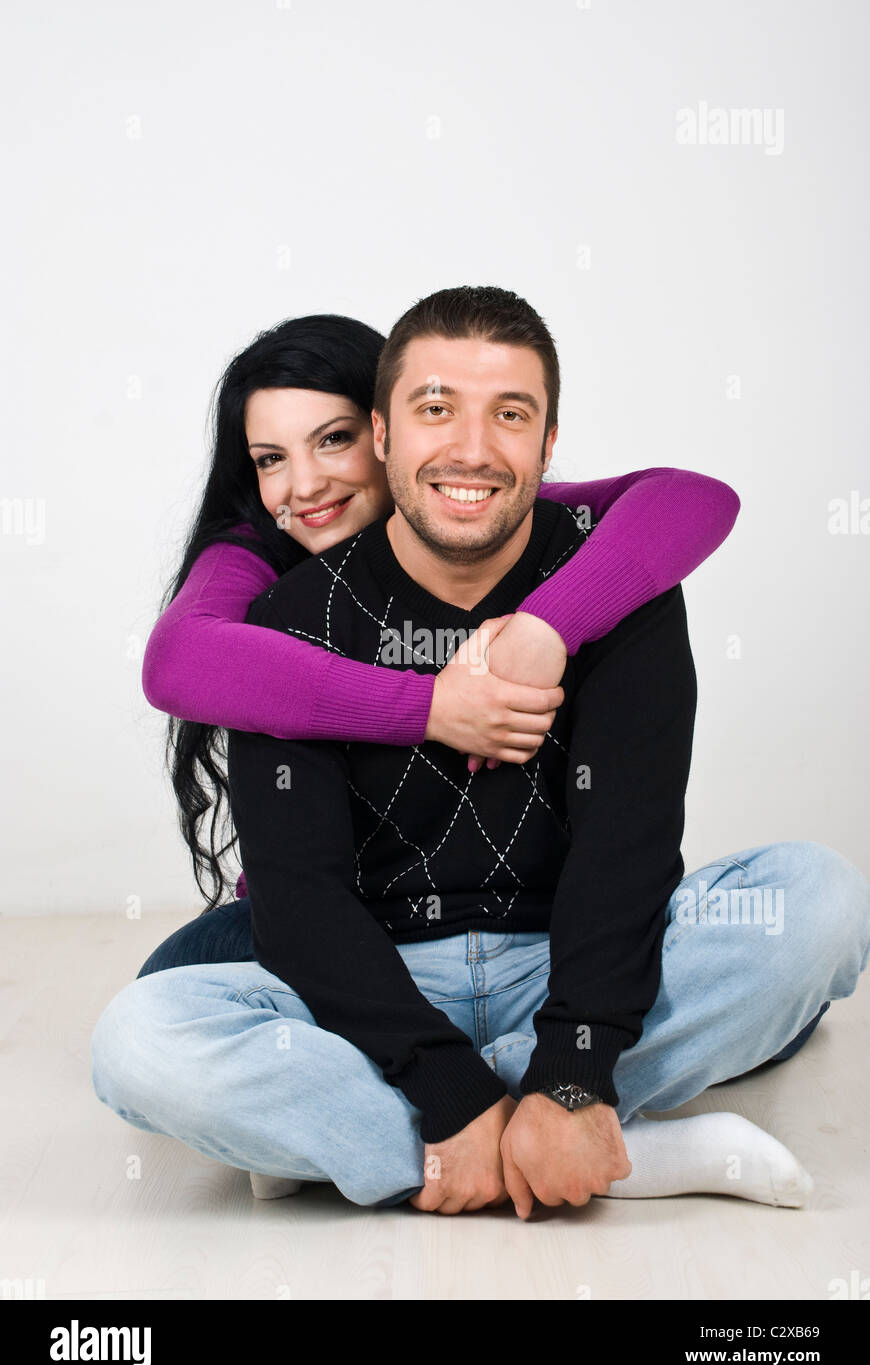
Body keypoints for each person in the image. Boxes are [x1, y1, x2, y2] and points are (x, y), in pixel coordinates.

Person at [92, 286, 870, 1217]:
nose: (469, 448)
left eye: (508, 415)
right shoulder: (269, 617)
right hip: (374, 963)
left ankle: (424, 1132)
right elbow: (296, 891)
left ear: (547, 444)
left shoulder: (610, 575)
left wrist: (573, 1068)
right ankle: (605, 1145)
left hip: (563, 954)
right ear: (394, 432)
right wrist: (430, 707)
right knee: (143, 1036)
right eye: (436, 411)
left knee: (818, 902)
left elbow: (626, 841)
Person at [136, 310, 741, 975]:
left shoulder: (477, 504)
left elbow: (688, 498)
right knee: (170, 985)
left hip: (538, 920)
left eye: (333, 440)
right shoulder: (259, 553)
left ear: (386, 432)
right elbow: (177, 662)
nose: (305, 486)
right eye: (271, 459)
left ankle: (524, 1052)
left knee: (783, 933)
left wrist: (545, 627)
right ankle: (456, 1059)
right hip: (336, 922)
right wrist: (436, 708)